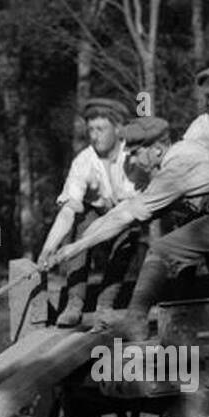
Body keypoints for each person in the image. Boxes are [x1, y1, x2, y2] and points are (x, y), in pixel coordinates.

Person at [42, 116, 209, 341]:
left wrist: (76, 247)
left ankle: (135, 322)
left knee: (161, 249)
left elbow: (125, 216)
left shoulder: (175, 169)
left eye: (136, 153)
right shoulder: (191, 147)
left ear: (156, 150)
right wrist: (74, 244)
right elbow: (122, 211)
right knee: (194, 230)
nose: (133, 161)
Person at [38, 98, 139, 326]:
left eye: (100, 129)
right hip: (97, 215)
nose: (94, 136)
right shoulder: (83, 161)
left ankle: (106, 305)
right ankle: (74, 304)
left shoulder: (133, 155)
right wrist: (49, 247)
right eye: (91, 129)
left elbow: (129, 210)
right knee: (81, 223)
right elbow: (69, 209)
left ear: (118, 128)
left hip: (126, 215)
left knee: (129, 233)